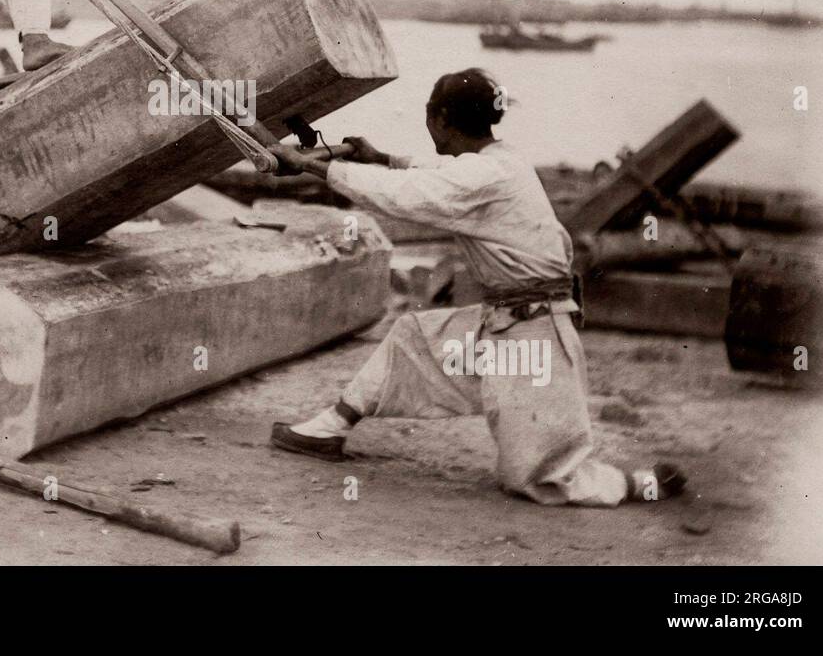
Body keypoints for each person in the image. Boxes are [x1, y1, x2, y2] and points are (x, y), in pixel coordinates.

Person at [266, 69, 687, 506]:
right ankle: (327, 430)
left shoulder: (484, 177)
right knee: (412, 338)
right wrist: (382, 158)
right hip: (507, 321)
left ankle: (638, 485)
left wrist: (316, 168)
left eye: (430, 117)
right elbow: (437, 172)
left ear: (442, 119)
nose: (429, 127)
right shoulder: (500, 161)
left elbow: (413, 193)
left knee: (538, 476)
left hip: (534, 335)